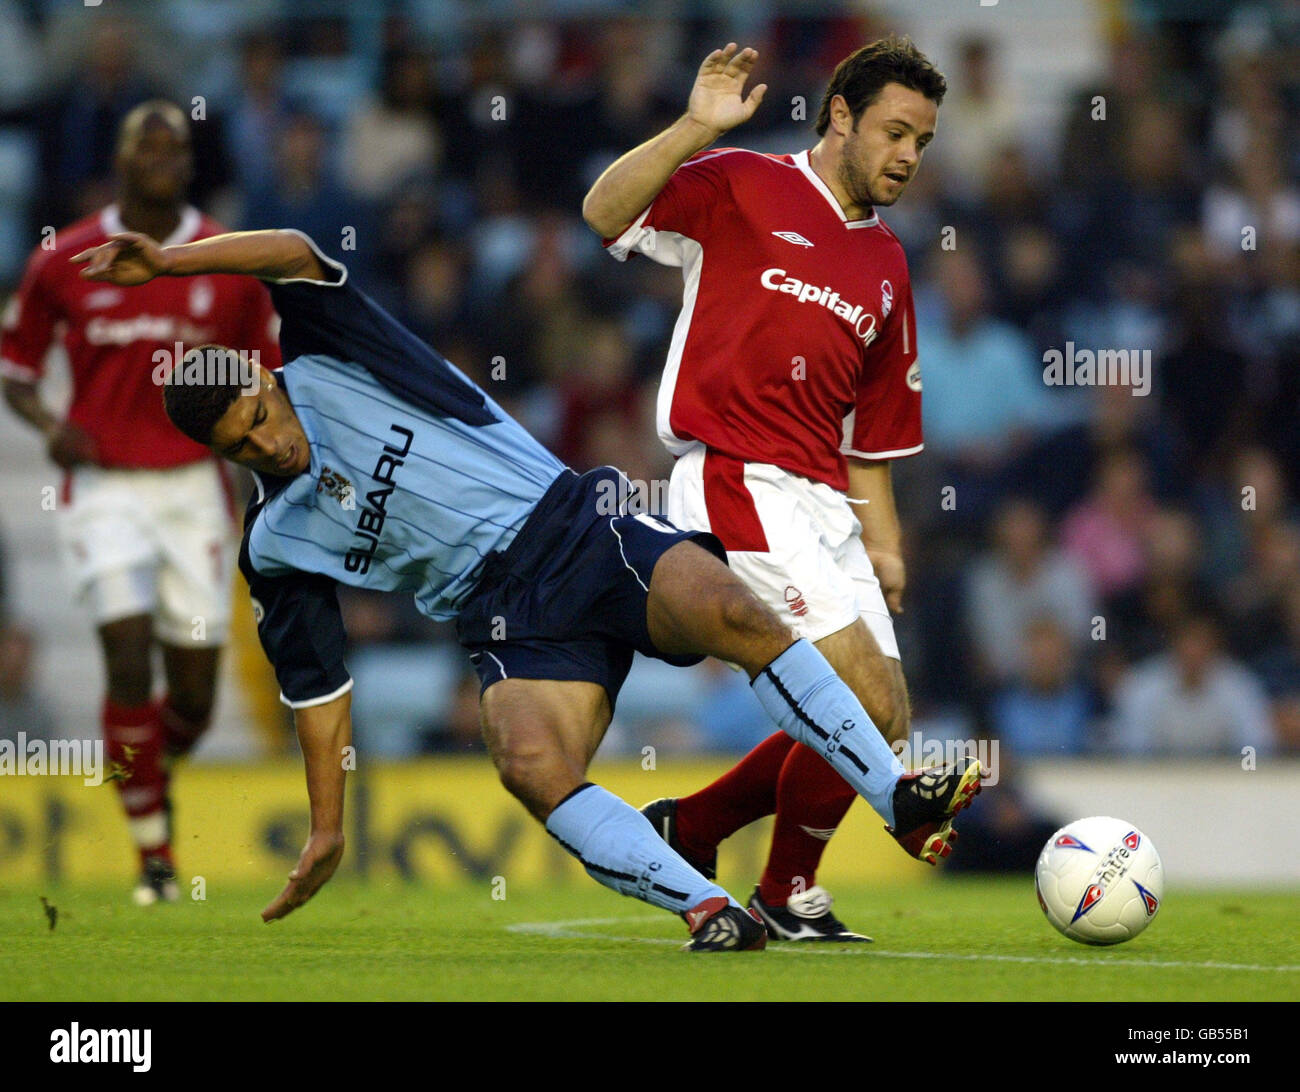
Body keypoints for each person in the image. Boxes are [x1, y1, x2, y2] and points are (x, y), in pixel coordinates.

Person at [72, 225, 984, 951]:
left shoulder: (330, 355)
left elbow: (294, 254)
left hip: (577, 527)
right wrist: (326, 828)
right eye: (241, 445)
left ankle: (897, 795)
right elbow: (317, 686)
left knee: (738, 611)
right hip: (507, 620)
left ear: (267, 379)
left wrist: (170, 264)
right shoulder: (274, 544)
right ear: (221, 456)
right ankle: (710, 912)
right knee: (528, 764)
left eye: (261, 417)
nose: (265, 442)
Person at [582, 39, 943, 940]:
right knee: (857, 700)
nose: (907, 155)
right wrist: (693, 128)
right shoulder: (742, 181)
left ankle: (726, 848)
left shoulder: (889, 266)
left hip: (827, 501)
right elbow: (603, 211)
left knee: (885, 715)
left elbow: (877, 436)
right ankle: (766, 875)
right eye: (895, 131)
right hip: (738, 475)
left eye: (923, 143)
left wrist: (886, 544)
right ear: (842, 116)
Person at [1, 101, 281, 905]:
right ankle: (154, 856)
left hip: (195, 490)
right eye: (145, 144)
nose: (161, 155)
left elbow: (267, 373)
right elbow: (17, 371)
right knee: (125, 654)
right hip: (103, 491)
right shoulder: (65, 258)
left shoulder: (222, 258)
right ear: (118, 159)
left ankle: (151, 771)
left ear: (190, 161)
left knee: (192, 690)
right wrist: (53, 427)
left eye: (175, 145)